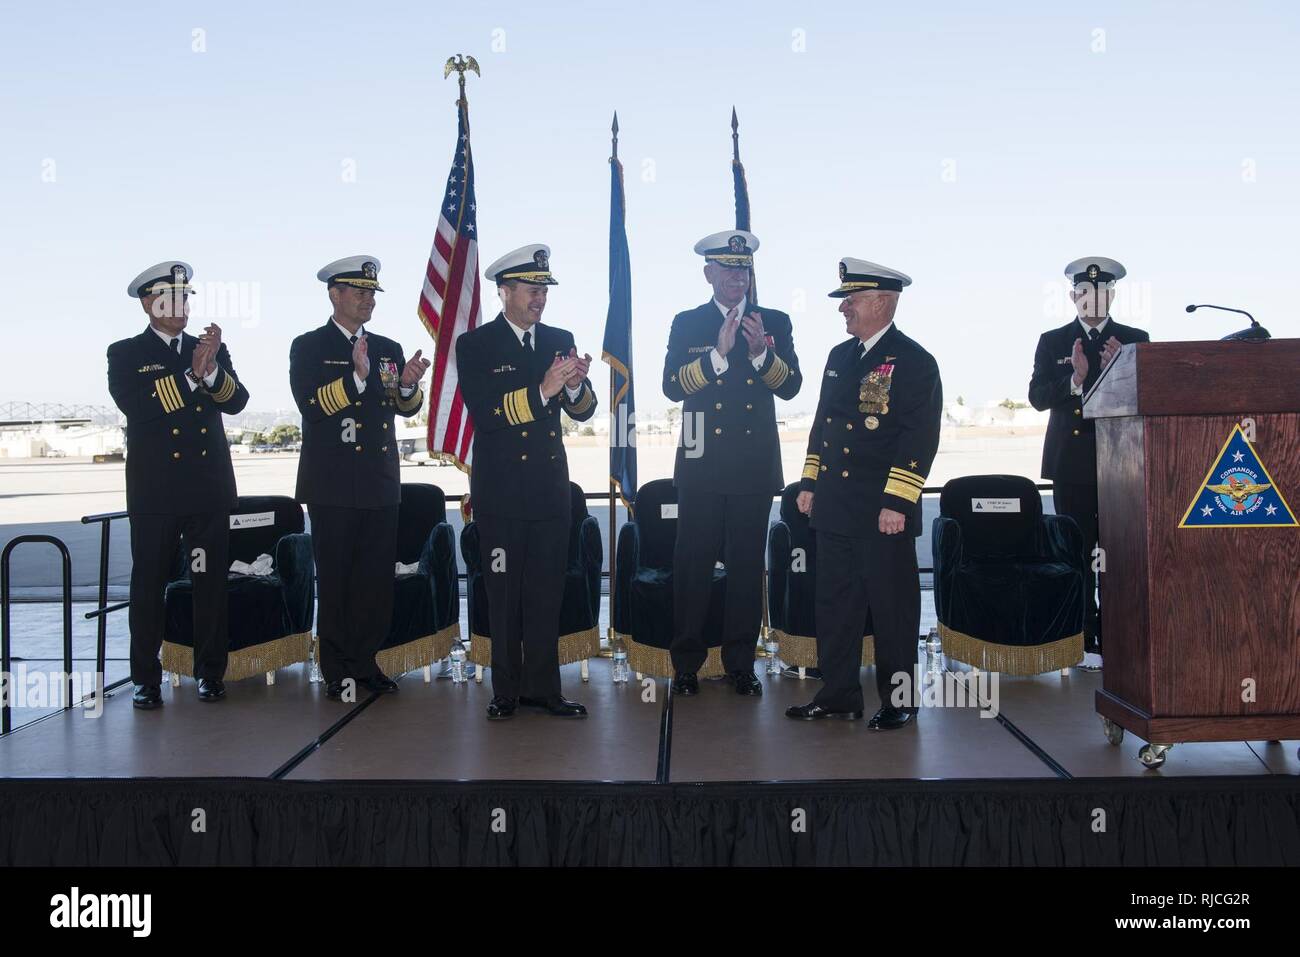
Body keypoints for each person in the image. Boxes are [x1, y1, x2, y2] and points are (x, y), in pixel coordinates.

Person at [786, 258, 941, 730]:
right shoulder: (839, 357)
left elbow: (919, 437)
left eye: (851, 301)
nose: (843, 310)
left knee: (892, 609)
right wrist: (811, 481)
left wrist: (898, 502)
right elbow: (823, 426)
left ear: (882, 302)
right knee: (835, 605)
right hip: (834, 505)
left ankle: (901, 700)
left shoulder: (914, 361)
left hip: (881, 510)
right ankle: (838, 693)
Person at [455, 244, 597, 720]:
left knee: (544, 594)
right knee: (503, 594)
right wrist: (544, 390)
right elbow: (488, 415)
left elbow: (583, 410)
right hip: (500, 493)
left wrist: (575, 384)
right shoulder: (474, 345)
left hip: (549, 489)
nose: (539, 298)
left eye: (544, 290)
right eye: (531, 289)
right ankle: (505, 691)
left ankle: (545, 689)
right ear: (504, 291)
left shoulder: (559, 338)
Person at [662, 230, 802, 697]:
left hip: (753, 466)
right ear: (709, 274)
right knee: (693, 566)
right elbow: (672, 387)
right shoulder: (688, 323)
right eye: (726, 269)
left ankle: (741, 662)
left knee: (745, 568)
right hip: (701, 463)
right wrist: (719, 355)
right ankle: (686, 664)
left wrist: (762, 352)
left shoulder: (773, 321)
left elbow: (791, 387)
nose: (736, 278)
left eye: (742, 270)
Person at [107, 260, 250, 709]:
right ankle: (145, 678)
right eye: (172, 297)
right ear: (149, 303)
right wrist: (192, 374)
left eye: (187, 297)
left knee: (209, 584)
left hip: (207, 487)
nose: (183, 305)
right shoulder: (126, 353)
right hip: (157, 492)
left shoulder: (207, 349)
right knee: (149, 585)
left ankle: (211, 672)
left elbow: (237, 401)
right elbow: (141, 407)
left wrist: (211, 372)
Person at [289, 256, 429, 700]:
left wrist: (406, 385)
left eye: (372, 292)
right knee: (336, 581)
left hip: (379, 481)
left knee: (373, 580)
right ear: (335, 294)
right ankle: (337, 670)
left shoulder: (387, 346)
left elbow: (401, 407)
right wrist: (355, 378)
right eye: (360, 292)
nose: (369, 299)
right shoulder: (309, 346)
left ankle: (367, 663)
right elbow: (311, 406)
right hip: (332, 484)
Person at [1028, 257, 1149, 659]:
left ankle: (1120, 632)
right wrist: (1075, 380)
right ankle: (1082, 633)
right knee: (1077, 552)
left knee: (1121, 552)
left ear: (1112, 295)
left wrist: (1123, 369)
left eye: (1101, 292)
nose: (1093, 299)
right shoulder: (1053, 340)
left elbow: (1149, 397)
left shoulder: (1135, 339)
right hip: (1072, 465)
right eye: (1085, 292)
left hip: (1122, 465)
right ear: (1073, 296)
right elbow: (1038, 397)